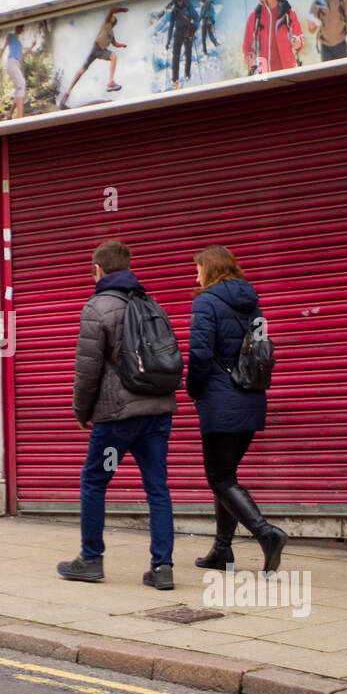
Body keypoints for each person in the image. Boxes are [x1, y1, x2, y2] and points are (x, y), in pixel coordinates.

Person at [59, 240, 178, 589]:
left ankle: (91, 559)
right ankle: (162, 567)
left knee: (96, 480)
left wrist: (81, 411)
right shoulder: (151, 302)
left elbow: (88, 370)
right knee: (157, 486)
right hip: (156, 414)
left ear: (97, 269)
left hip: (118, 421)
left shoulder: (97, 307)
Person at [185, 245, 286, 573]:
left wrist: (193, 388)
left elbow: (200, 355)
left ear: (210, 269)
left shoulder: (205, 302)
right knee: (226, 476)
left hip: (221, 401)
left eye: (198, 268)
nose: (195, 274)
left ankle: (266, 533)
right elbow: (262, 353)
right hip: (252, 399)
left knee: (219, 477)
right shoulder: (253, 304)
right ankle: (222, 551)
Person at [59, 7, 128, 108]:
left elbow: (115, 43)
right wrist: (121, 10)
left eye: (113, 18)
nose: (111, 18)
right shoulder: (106, 24)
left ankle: (111, 82)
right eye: (111, 17)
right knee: (82, 71)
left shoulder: (111, 33)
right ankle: (67, 93)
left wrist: (122, 45)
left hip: (102, 51)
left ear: (114, 22)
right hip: (96, 48)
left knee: (113, 56)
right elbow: (111, 10)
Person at [242, 0, 303, 75]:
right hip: (264, 76)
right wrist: (249, 57)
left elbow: (300, 37)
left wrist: (298, 42)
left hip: (289, 73)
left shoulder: (288, 13)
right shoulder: (255, 16)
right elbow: (247, 45)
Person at [164, 0, 199, 89]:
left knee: (188, 54)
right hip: (178, 32)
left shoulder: (189, 6)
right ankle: (175, 80)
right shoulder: (174, 10)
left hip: (188, 31)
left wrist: (194, 27)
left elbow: (196, 17)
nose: (180, 1)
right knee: (175, 56)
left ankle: (187, 74)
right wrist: (168, 41)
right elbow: (170, 26)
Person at [4, 25, 26, 118]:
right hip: (11, 62)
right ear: (16, 27)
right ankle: (20, 118)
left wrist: (32, 47)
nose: (20, 29)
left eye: (22, 28)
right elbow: (4, 47)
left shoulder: (20, 44)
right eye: (19, 27)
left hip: (17, 64)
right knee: (21, 84)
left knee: (19, 89)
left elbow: (22, 56)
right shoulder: (10, 36)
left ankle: (10, 114)